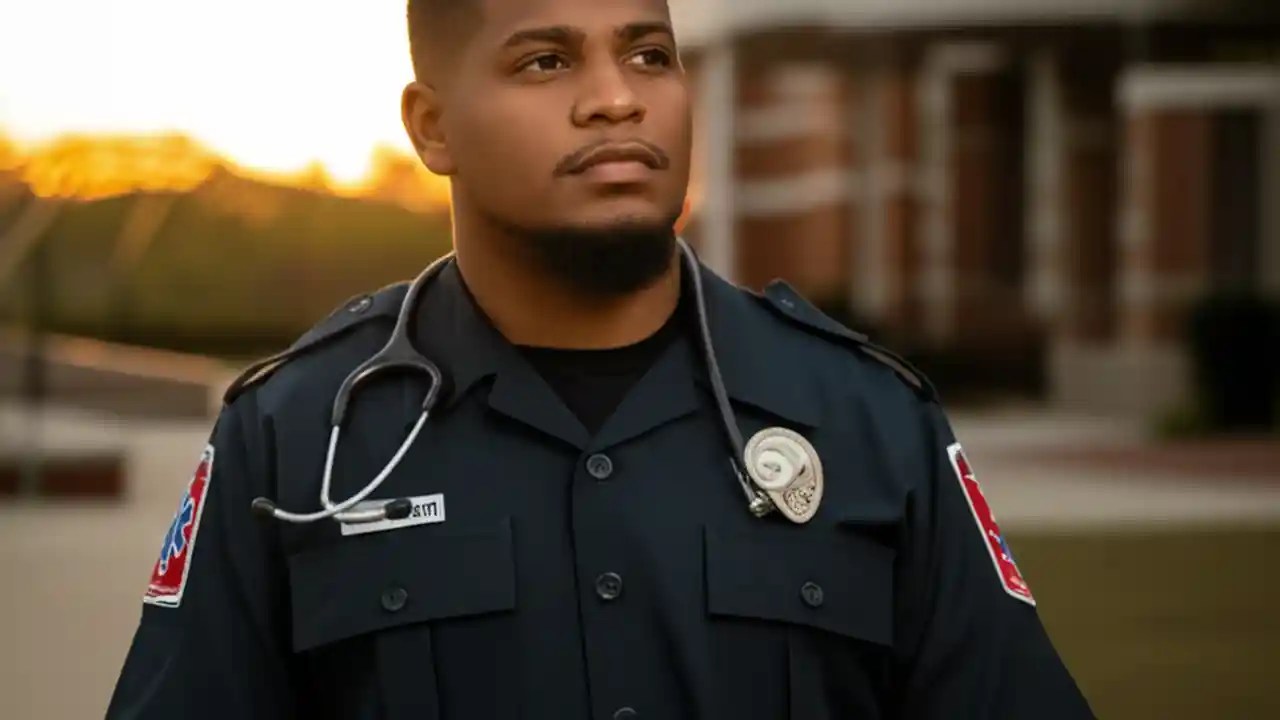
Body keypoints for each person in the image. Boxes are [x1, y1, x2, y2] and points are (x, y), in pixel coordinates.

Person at [106, 0, 1094, 717]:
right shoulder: (297, 436)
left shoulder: (867, 420)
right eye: (546, 62)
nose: (615, 101)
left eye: (649, 54)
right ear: (431, 126)